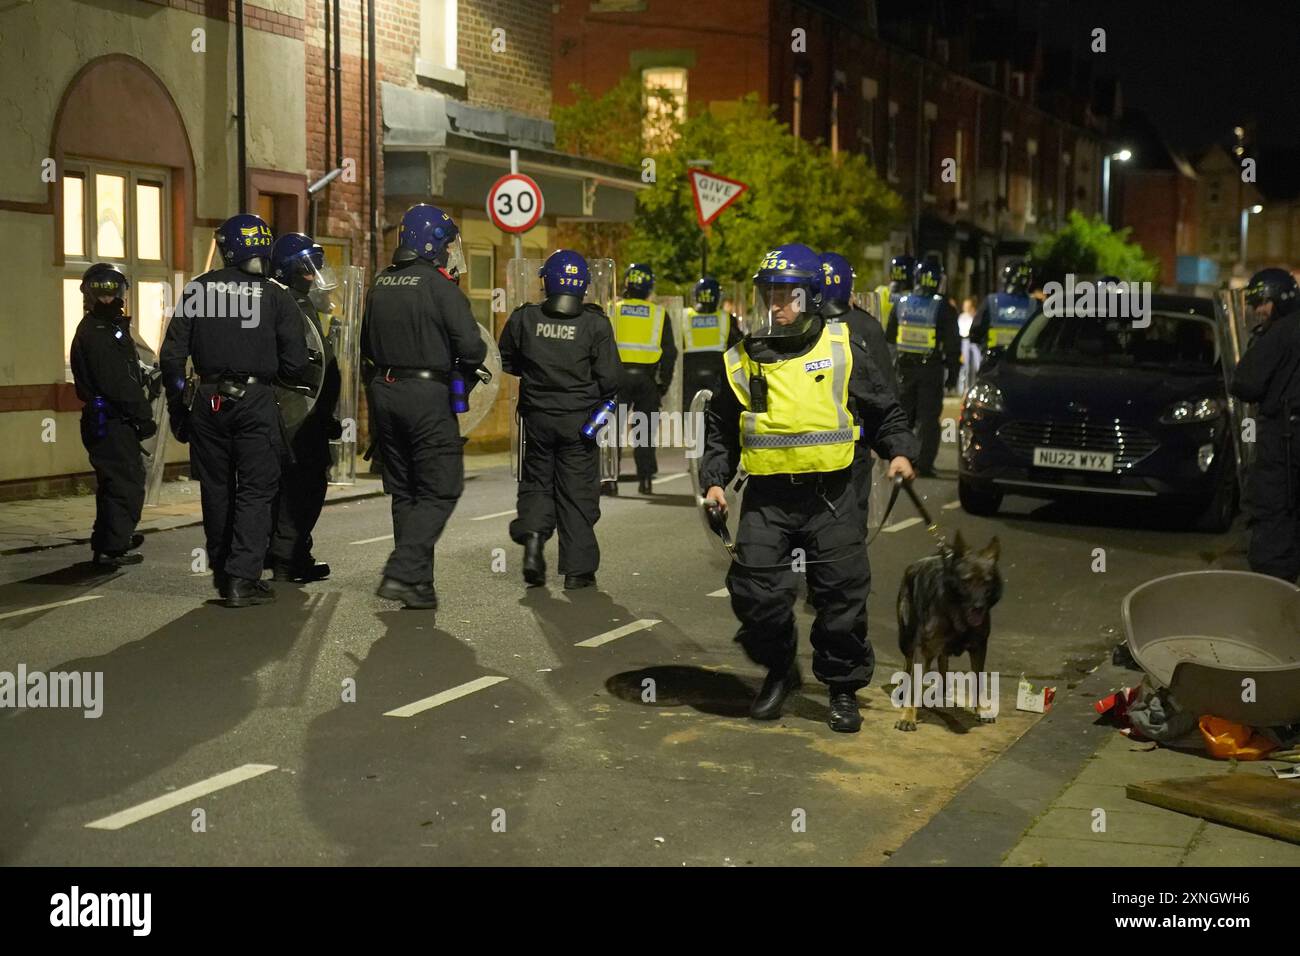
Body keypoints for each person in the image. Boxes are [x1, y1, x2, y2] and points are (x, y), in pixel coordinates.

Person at [699, 243, 918, 733]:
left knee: (841, 597)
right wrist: (714, 482)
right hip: (768, 499)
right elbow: (720, 427)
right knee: (755, 593)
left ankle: (842, 690)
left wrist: (899, 450)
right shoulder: (742, 359)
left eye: (787, 294)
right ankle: (780, 671)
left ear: (812, 297)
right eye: (768, 294)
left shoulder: (843, 350)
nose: (776, 304)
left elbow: (886, 412)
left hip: (832, 496)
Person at [161, 214, 307, 607]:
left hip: (207, 401)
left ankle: (224, 574)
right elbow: (297, 365)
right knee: (257, 490)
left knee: (216, 487)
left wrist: (180, 408)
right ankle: (244, 577)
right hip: (256, 401)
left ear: (226, 247)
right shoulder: (276, 295)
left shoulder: (197, 290)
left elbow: (171, 358)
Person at [361, 204, 487, 610]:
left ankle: (418, 584)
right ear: (431, 243)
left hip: (385, 390)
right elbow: (472, 346)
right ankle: (402, 570)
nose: (451, 252)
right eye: (448, 244)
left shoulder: (381, 284)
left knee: (405, 491)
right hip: (426, 397)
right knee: (441, 486)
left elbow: (365, 347)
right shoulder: (439, 287)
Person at [499, 250, 622, 591]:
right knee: (577, 494)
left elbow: (506, 359)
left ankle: (535, 539)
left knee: (537, 482)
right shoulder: (595, 323)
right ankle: (578, 572)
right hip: (579, 424)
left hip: (537, 419)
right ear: (583, 284)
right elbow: (611, 379)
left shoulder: (525, 318)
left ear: (546, 282)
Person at [69, 263, 157, 567]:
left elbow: (128, 370)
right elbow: (116, 383)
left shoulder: (107, 328)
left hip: (111, 418)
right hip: (112, 419)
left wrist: (146, 375)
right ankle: (112, 546)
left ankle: (112, 536)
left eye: (113, 294)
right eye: (101, 295)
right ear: (90, 296)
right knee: (126, 482)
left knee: (115, 481)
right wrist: (143, 416)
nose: (109, 301)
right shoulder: (98, 333)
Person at [266, 231, 342, 583]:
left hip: (310, 412)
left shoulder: (301, 303)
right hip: (299, 412)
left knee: (299, 483)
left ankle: (295, 550)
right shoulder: (287, 305)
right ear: (288, 271)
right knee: (303, 485)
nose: (315, 276)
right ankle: (288, 554)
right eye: (307, 269)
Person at [819, 251, 898, 538]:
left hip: (804, 443)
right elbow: (885, 390)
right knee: (851, 518)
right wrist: (890, 443)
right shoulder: (866, 327)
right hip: (854, 443)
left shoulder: (800, 326)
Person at [1229, 267, 1300, 582]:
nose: (1258, 310)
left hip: (1283, 443)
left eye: (1263, 302)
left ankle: (1276, 615)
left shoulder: (1282, 332)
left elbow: (1245, 383)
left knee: (1274, 526)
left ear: (1281, 299)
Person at [887, 258, 961, 477]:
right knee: (928, 419)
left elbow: (890, 337)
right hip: (931, 370)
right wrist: (953, 374)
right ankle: (924, 464)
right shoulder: (943, 306)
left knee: (903, 416)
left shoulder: (901, 302)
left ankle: (901, 457)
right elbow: (952, 344)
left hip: (904, 368)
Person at [611, 263, 677, 494]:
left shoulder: (613, 309)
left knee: (612, 430)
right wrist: (663, 384)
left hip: (616, 380)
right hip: (647, 380)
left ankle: (609, 479)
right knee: (644, 431)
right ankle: (646, 479)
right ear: (649, 286)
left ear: (627, 283)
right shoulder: (659, 314)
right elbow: (670, 352)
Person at [681, 276, 741, 408]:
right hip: (717, 370)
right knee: (718, 411)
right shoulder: (726, 318)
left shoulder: (684, 316)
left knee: (688, 413)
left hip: (690, 370)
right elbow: (737, 347)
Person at [971, 259, 1037, 359]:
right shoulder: (1034, 305)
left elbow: (975, 332)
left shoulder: (992, 301)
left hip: (993, 360)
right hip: (1023, 361)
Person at [957, 296, 978, 393]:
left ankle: (974, 386)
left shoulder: (975, 316)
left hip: (973, 342)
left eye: (968, 305)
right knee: (965, 366)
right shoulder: (962, 317)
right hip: (964, 341)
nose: (966, 307)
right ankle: (964, 388)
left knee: (976, 364)